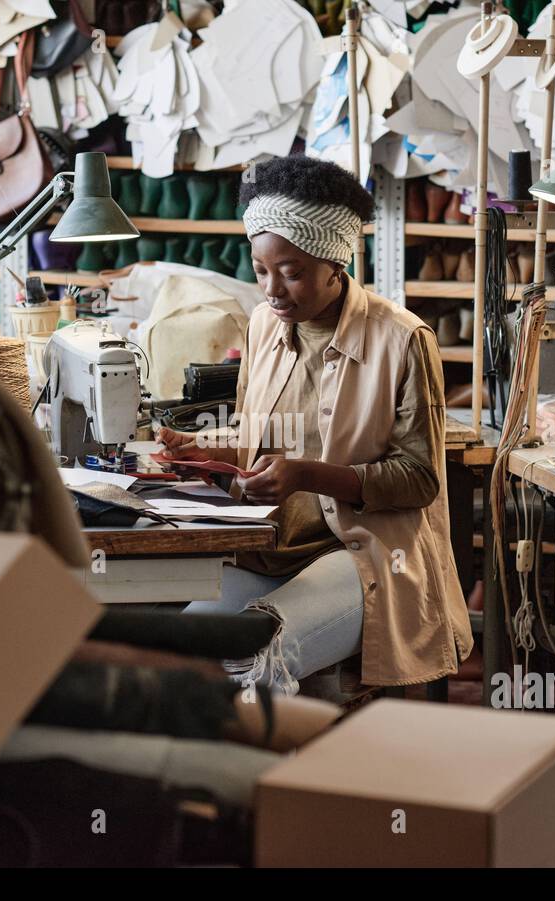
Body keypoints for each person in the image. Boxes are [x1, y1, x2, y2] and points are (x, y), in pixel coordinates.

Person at [160, 155, 472, 695]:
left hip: (365, 553)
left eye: (292, 272)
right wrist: (203, 447)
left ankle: (293, 774)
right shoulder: (263, 325)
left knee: (251, 663)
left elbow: (420, 480)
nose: (272, 290)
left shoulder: (402, 339)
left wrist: (307, 475)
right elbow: (265, 439)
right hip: (272, 546)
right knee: (176, 656)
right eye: (261, 270)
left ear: (336, 264)